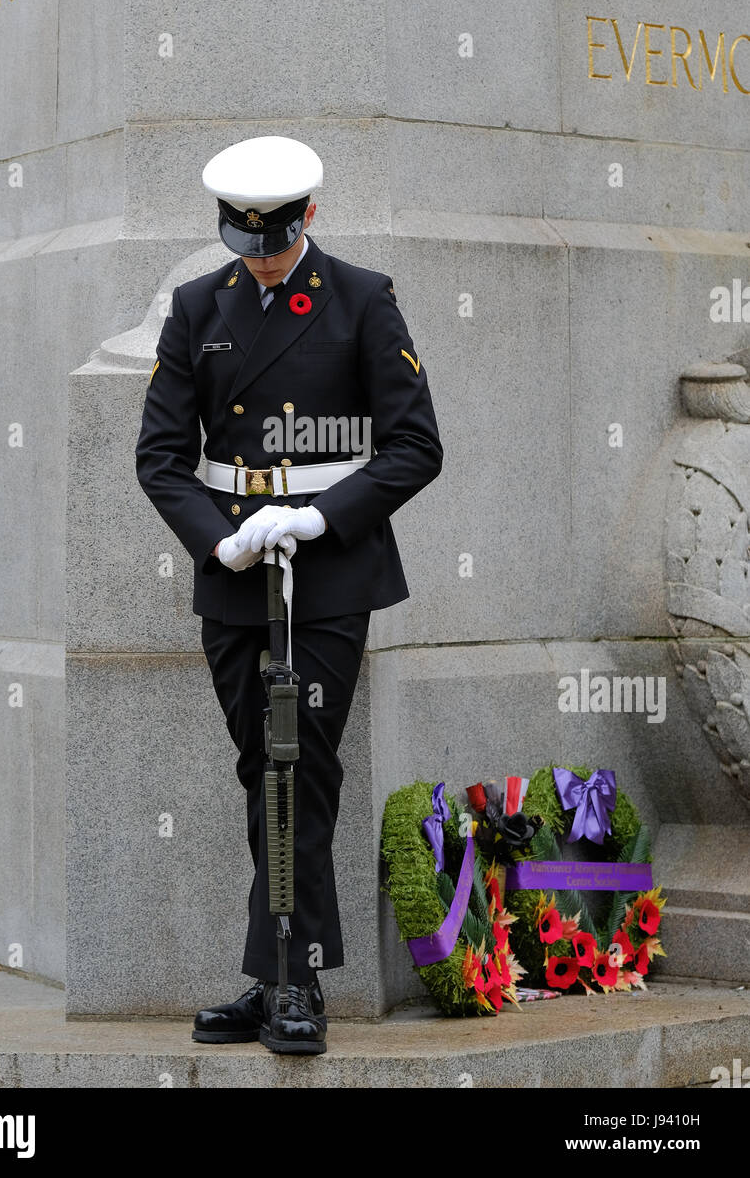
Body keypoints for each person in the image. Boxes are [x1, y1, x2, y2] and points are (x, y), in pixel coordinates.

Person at [135, 135, 443, 1054]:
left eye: (275, 242)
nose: (262, 261)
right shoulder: (198, 308)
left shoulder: (363, 299)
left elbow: (414, 446)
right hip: (235, 572)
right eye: (246, 245)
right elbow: (160, 455)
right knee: (256, 767)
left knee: (295, 761)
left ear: (309, 219)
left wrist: (319, 517)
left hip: (329, 570)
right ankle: (272, 974)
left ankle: (293, 979)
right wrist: (218, 535)